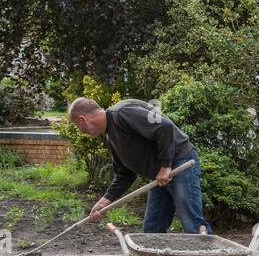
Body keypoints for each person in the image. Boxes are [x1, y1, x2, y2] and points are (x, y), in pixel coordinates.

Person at [68, 97, 213, 235]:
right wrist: (104, 201)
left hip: (181, 164)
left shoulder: (122, 113)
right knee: (153, 228)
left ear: (83, 119)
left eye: (77, 126)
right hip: (160, 176)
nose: (81, 131)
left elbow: (164, 128)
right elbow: (125, 175)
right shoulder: (112, 137)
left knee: (192, 223)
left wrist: (166, 165)